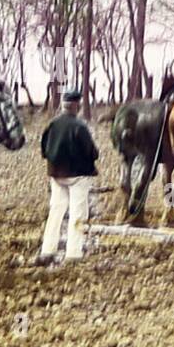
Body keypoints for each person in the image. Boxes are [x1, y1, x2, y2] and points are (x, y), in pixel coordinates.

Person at [37, 88, 99, 266]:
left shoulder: (52, 124)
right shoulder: (80, 126)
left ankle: (47, 250)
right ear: (75, 105)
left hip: (56, 174)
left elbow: (43, 150)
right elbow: (92, 153)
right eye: (78, 104)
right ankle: (73, 253)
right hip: (78, 176)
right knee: (78, 213)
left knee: (55, 212)